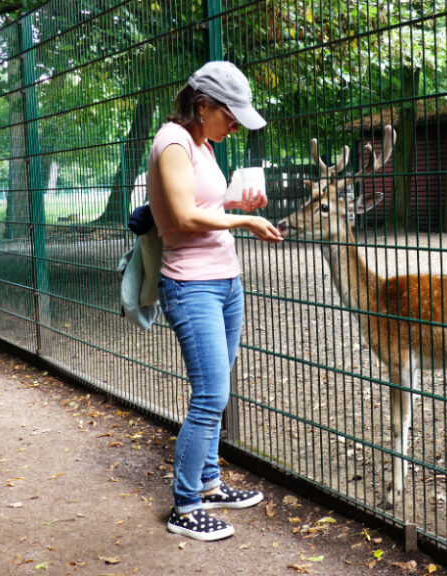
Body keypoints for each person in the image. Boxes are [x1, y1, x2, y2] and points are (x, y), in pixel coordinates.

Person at [146, 61, 283, 541]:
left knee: (217, 387)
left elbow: (205, 204)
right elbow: (183, 215)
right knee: (210, 396)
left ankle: (208, 481)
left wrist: (237, 204)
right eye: (230, 116)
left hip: (226, 282)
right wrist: (243, 223)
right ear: (203, 105)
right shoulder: (174, 141)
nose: (234, 126)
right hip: (191, 285)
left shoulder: (203, 144)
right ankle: (185, 505)